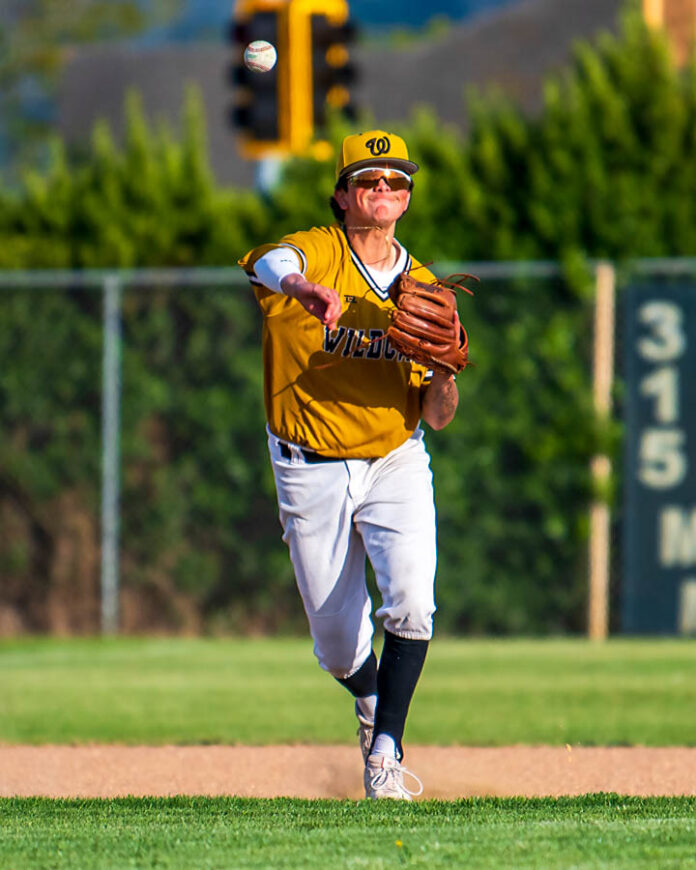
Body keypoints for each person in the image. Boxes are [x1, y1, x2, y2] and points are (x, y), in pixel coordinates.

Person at [239, 130, 462, 800]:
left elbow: (437, 414)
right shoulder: (315, 251)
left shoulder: (422, 287)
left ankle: (386, 751)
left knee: (414, 604)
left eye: (397, 182)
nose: (385, 191)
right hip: (309, 466)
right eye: (369, 181)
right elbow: (265, 261)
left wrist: (446, 375)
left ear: (408, 198)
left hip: (394, 456)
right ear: (342, 196)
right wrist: (303, 288)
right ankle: (367, 700)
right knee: (338, 646)